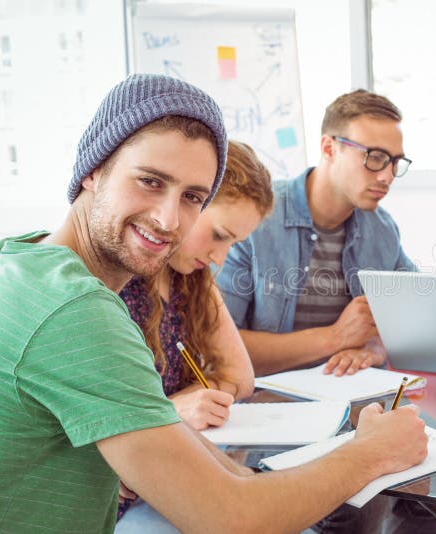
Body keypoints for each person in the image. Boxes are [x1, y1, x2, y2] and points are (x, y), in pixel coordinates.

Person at [0, 74, 428, 533]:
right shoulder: (77, 311)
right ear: (94, 169)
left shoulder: (23, 261)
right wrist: (372, 451)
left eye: (193, 196)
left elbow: (224, 475)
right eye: (150, 181)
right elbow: (232, 518)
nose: (168, 218)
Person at [116, 140, 274, 519]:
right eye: (219, 235)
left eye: (232, 244)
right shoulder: (119, 281)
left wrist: (193, 401)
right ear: (190, 203)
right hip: (123, 492)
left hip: (178, 466)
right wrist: (171, 414)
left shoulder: (192, 278)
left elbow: (240, 376)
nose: (219, 258)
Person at [216, 89, 416, 377]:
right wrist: (334, 338)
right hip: (268, 405)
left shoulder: (383, 229)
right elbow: (218, 350)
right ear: (328, 148)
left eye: (395, 162)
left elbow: (415, 315)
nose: (386, 176)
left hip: (353, 399)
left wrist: (375, 347)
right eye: (375, 157)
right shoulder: (256, 218)